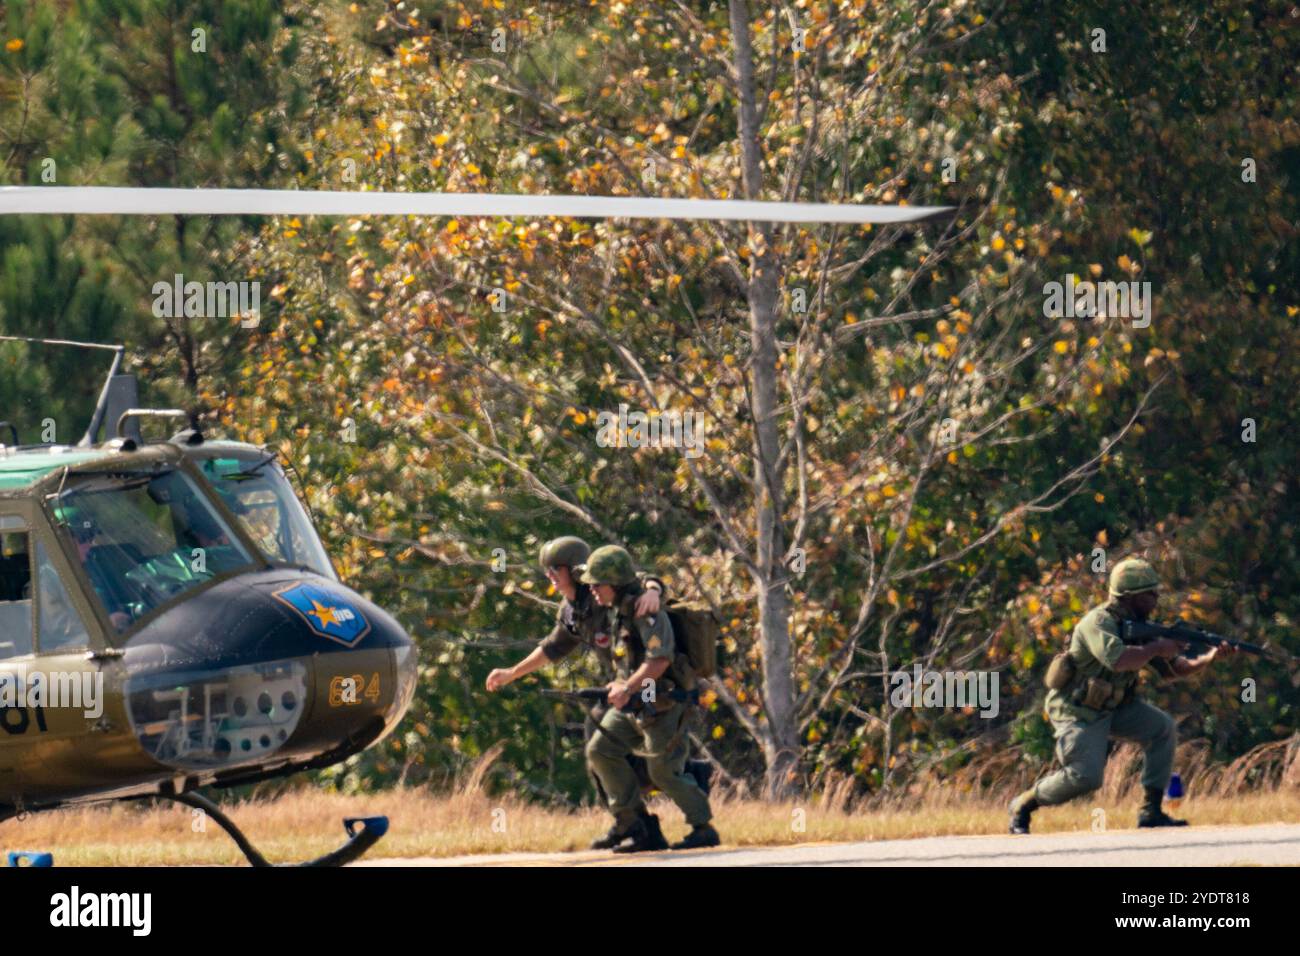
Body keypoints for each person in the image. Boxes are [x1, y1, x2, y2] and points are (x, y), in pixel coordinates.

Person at [485, 537, 712, 850]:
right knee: (600, 750)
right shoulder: (578, 608)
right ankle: (633, 824)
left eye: (555, 568)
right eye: (547, 569)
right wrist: (512, 673)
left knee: (659, 763)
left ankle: (694, 802)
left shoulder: (626, 600)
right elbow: (553, 646)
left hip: (652, 690)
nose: (549, 575)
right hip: (628, 688)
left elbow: (655, 644)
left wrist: (654, 590)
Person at [1009, 557, 1237, 834]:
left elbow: (1173, 670)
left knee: (1162, 728)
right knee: (1087, 777)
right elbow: (1119, 660)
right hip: (1078, 711)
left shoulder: (1141, 627)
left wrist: (1211, 656)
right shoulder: (1098, 623)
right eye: (1150, 594)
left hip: (1115, 707)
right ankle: (1023, 803)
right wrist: (1157, 648)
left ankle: (1150, 812)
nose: (1156, 599)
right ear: (1130, 597)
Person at [582, 544, 719, 852]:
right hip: (637, 701)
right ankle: (635, 825)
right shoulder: (623, 605)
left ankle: (702, 826)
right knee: (601, 750)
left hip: (662, 702)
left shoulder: (648, 613)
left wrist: (627, 688)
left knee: (663, 771)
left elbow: (659, 661)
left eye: (597, 583)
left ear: (615, 582)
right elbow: (645, 576)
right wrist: (621, 687)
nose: (591, 589)